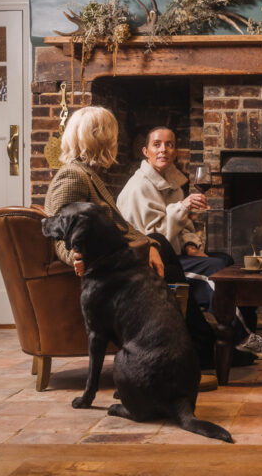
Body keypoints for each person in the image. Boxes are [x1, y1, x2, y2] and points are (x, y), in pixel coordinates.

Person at [44, 106, 218, 390]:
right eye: (111, 135)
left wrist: (148, 243)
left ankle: (194, 350)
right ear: (99, 138)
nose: (116, 141)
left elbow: (119, 226)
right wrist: (74, 256)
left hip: (116, 268)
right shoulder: (74, 176)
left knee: (159, 243)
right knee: (161, 246)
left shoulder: (90, 175)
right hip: (105, 277)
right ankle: (196, 352)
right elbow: (61, 228)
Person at [117, 126, 262, 359]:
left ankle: (244, 333)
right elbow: (153, 239)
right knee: (216, 272)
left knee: (226, 261)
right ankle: (242, 338)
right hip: (154, 265)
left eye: (170, 144)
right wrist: (182, 206)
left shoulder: (170, 183)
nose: (163, 149)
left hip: (176, 256)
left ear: (176, 152)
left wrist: (189, 245)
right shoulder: (138, 188)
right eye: (157, 144)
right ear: (146, 151)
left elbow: (182, 227)